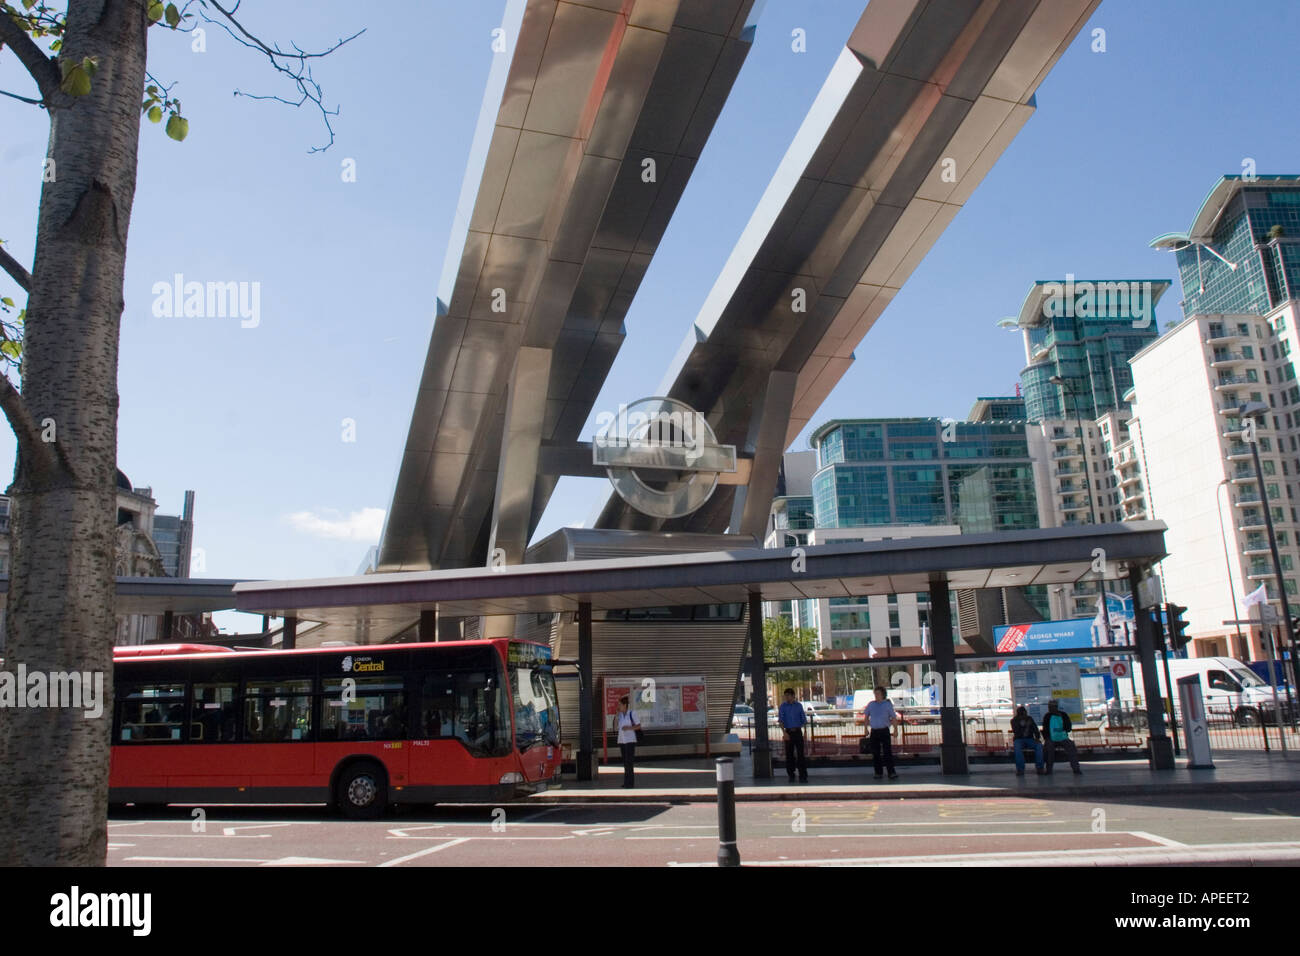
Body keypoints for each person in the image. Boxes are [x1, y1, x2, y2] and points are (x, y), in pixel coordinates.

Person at [864, 687, 900, 779]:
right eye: (875, 694)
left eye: (878, 694)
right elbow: (866, 716)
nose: (876, 696)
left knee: (887, 752)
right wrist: (866, 728)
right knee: (875, 753)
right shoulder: (871, 704)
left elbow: (893, 717)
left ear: (883, 694)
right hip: (874, 731)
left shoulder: (887, 705)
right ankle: (878, 772)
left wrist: (895, 730)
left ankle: (891, 772)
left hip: (884, 730)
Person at [1041, 699, 1082, 775]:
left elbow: (1069, 728)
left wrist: (1062, 727)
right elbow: (1045, 730)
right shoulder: (1047, 716)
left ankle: (1076, 768)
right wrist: (1048, 737)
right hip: (1051, 738)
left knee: (1071, 746)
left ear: (1056, 707)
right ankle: (1049, 769)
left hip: (1062, 737)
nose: (1050, 709)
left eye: (1052, 707)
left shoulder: (1063, 715)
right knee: (1048, 748)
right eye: (1049, 707)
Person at [777, 689, 809, 783]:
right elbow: (781, 720)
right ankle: (791, 774)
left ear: (793, 696)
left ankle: (803, 775)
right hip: (788, 732)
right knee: (789, 754)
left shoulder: (798, 706)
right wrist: (784, 733)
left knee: (800, 754)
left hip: (798, 731)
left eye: (788, 695)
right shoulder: (783, 706)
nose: (787, 697)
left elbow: (803, 719)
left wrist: (805, 732)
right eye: (785, 695)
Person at [1010, 705, 1044, 775]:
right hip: (1019, 739)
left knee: (1039, 746)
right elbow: (1017, 732)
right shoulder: (1014, 720)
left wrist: (1037, 738)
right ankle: (1020, 769)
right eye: (1022, 714)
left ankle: (1040, 767)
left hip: (1030, 739)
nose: (1024, 716)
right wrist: (1027, 726)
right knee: (1017, 747)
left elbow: (1035, 729)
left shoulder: (1029, 719)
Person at [616, 695, 641, 789]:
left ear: (625, 705)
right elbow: (616, 726)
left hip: (630, 740)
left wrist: (628, 728)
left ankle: (630, 783)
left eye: (620, 705)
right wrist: (616, 715)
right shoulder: (621, 715)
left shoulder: (632, 713)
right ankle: (626, 782)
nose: (619, 707)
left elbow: (638, 726)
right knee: (625, 763)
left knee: (629, 763)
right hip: (622, 741)